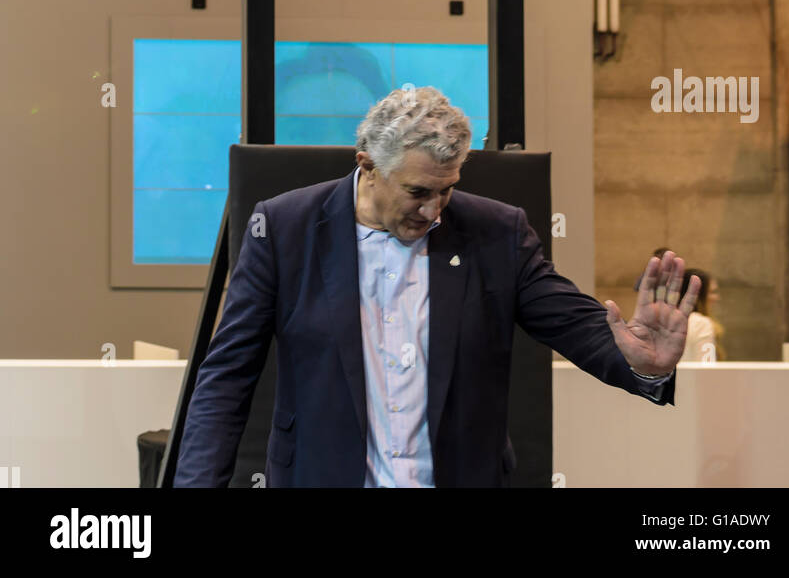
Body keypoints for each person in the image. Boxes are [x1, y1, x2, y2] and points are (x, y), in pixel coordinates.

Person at [174, 88, 702, 488]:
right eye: (417, 192)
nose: (433, 211)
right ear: (368, 165)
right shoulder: (285, 229)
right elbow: (225, 378)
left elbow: (574, 322)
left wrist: (641, 363)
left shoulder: (497, 232)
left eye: (447, 191)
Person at [679, 268, 726, 362]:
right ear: (698, 296)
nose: (716, 297)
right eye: (712, 292)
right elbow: (706, 367)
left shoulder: (667, 321)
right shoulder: (701, 323)